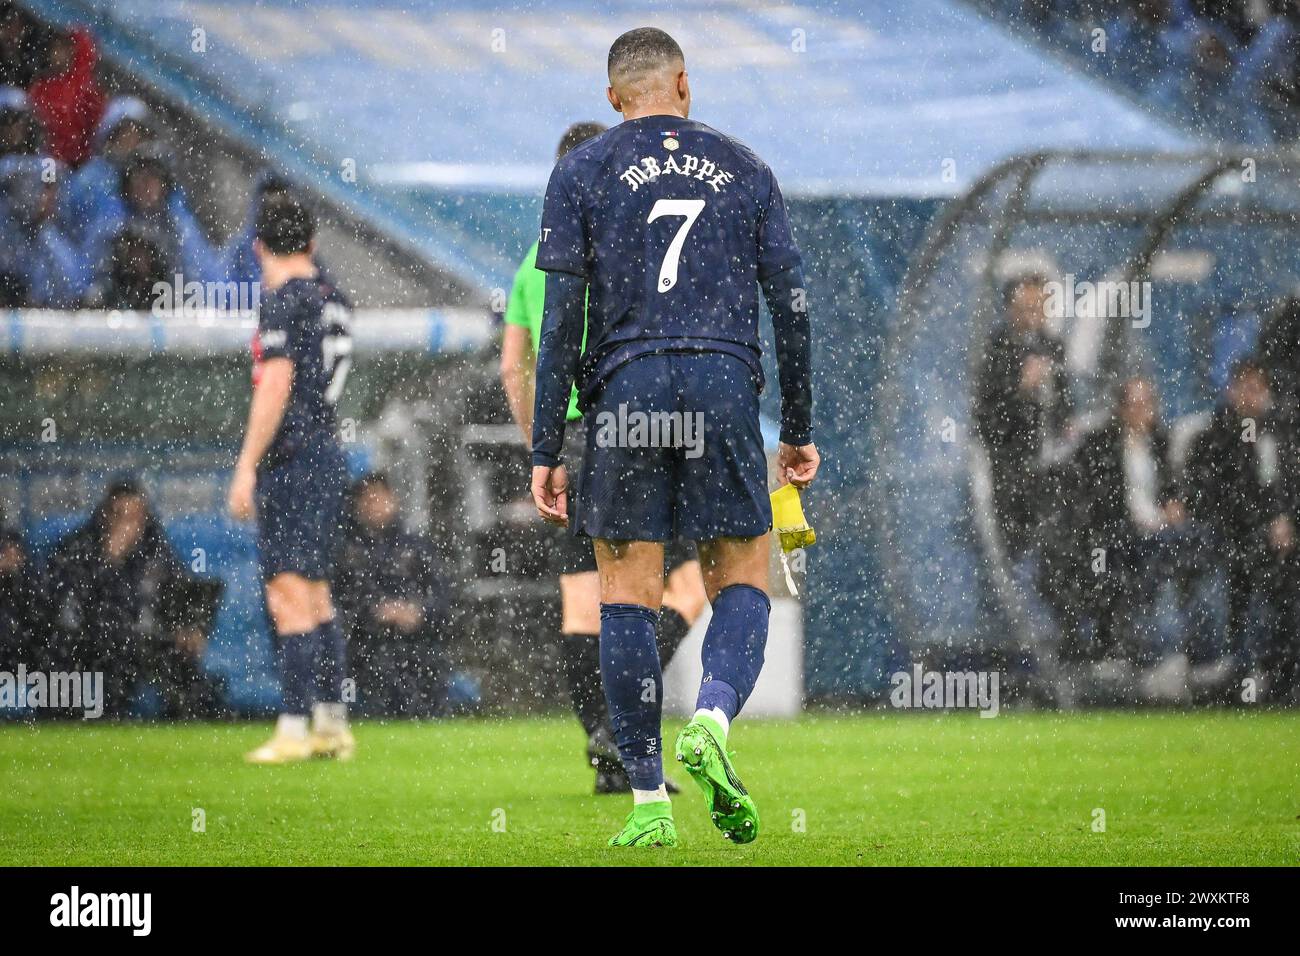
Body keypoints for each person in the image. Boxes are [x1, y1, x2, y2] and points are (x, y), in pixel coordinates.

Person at [530, 28, 818, 848]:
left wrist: (547, 447)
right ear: (682, 85)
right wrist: (796, 429)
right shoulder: (746, 167)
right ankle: (715, 722)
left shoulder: (580, 171)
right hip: (724, 386)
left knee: (627, 592)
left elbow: (559, 325)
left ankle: (648, 799)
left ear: (614, 97)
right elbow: (792, 310)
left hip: (625, 395)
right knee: (743, 573)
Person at [501, 119, 708, 794]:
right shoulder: (636, 247)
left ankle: (609, 760)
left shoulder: (533, 261)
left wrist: (545, 443)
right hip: (638, 427)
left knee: (583, 601)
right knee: (684, 584)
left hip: (572, 440)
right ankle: (619, 734)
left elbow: (515, 366)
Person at [227, 191, 354, 763]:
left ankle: (294, 727)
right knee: (319, 593)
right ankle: (332, 722)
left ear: (259, 247)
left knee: (288, 593)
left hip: (295, 458)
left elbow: (275, 385)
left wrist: (248, 464)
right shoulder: (335, 298)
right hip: (327, 453)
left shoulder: (284, 300)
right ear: (313, 242)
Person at [46, 479, 223, 718]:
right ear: (107, 515)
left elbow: (181, 591)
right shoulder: (80, 547)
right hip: (92, 639)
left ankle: (185, 727)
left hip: (144, 641)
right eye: (122, 515)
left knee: (190, 679)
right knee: (101, 664)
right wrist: (111, 560)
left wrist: (191, 626)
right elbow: (74, 603)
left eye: (137, 516)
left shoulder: (155, 548)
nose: (131, 524)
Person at [1041, 377, 1186, 666]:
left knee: (1191, 548)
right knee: (1108, 563)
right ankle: (1117, 648)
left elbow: (1171, 488)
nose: (1143, 411)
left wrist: (1172, 505)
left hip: (1158, 532)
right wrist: (1136, 522)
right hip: (1116, 534)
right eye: (1135, 404)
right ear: (1121, 409)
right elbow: (1097, 501)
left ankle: (1180, 650)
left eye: (1148, 403)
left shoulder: (1160, 442)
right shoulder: (1102, 445)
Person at [1183, 358, 1297, 696]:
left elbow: (1288, 485)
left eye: (1259, 387)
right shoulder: (1214, 436)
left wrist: (1287, 520)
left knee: (1286, 586)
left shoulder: (1282, 432)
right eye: (1246, 387)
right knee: (1243, 578)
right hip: (1235, 537)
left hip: (1283, 538)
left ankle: (1282, 670)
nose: (1253, 395)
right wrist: (1266, 525)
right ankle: (1239, 669)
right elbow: (1218, 494)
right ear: (1231, 390)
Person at [334, 473, 452, 717]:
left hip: (416, 644)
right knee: (377, 666)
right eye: (366, 499)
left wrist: (417, 613)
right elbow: (336, 604)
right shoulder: (345, 553)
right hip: (365, 647)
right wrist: (374, 614)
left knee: (421, 664)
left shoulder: (418, 548)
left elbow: (442, 598)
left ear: (394, 500)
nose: (374, 504)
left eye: (379, 496)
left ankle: (425, 719)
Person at [974, 273, 1070, 557]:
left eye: (1040, 308)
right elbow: (987, 416)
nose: (1034, 316)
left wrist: (1066, 422)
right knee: (1015, 540)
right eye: (1027, 308)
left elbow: (1064, 400)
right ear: (1010, 310)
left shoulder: (1053, 346)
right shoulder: (995, 349)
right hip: (1012, 463)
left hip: (1049, 460)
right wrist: (1021, 390)